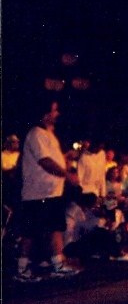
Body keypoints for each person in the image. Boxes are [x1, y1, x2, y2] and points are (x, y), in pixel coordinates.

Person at [16, 99, 79, 281]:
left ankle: (58, 264)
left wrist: (66, 158)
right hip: (37, 193)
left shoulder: (49, 135)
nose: (57, 113)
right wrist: (67, 175)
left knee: (54, 228)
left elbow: (53, 159)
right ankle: (22, 269)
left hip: (51, 193)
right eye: (54, 110)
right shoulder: (36, 134)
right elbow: (45, 161)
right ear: (45, 114)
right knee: (31, 232)